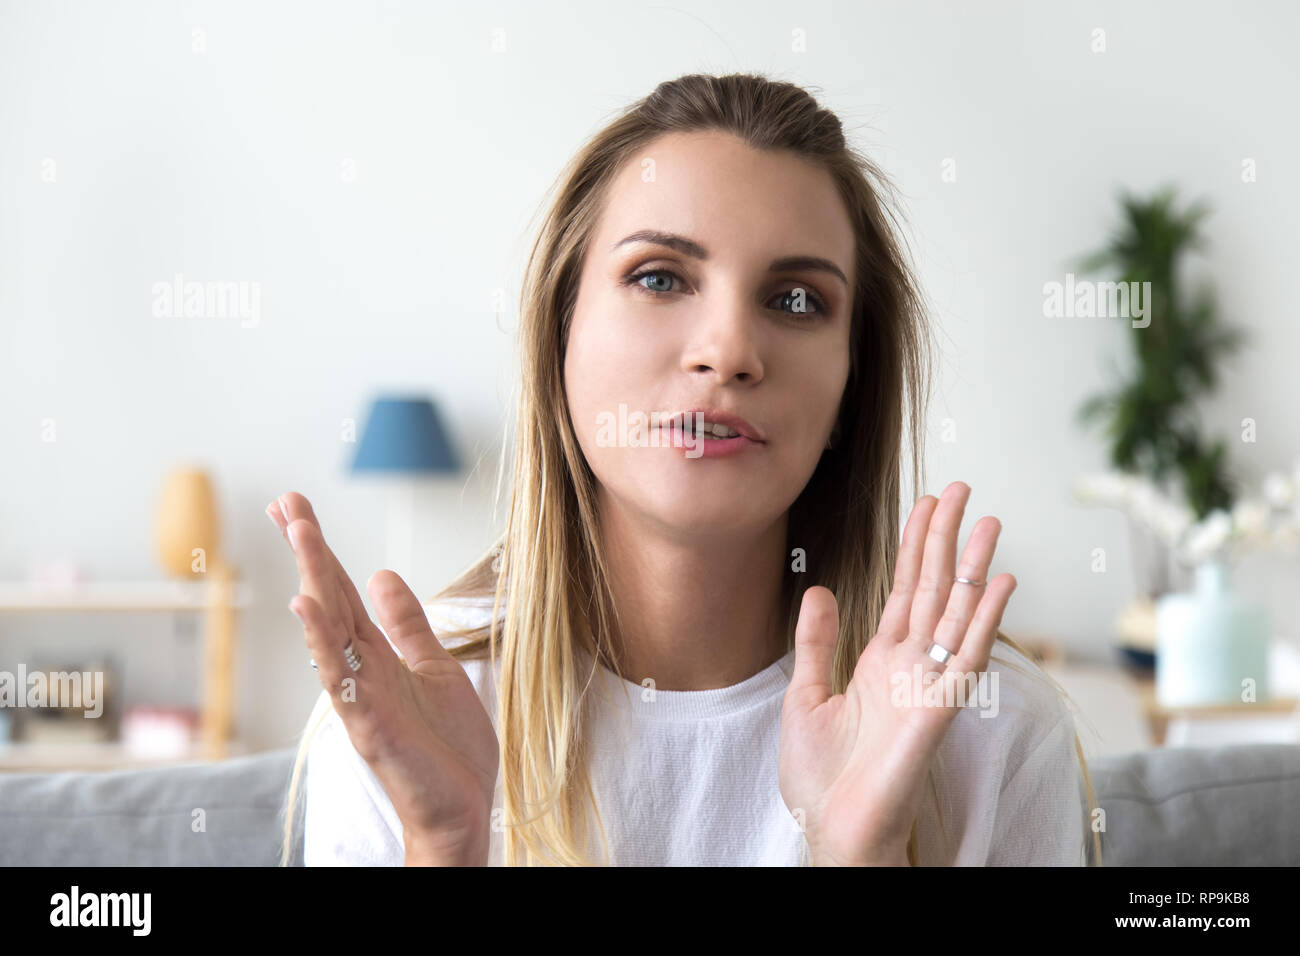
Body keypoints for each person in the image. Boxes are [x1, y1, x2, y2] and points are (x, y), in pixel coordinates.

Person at [270, 72, 1099, 867]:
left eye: (798, 300)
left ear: (853, 385)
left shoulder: (991, 728)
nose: (729, 351)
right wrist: (443, 850)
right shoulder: (409, 712)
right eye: (660, 278)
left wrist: (863, 857)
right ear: (560, 337)